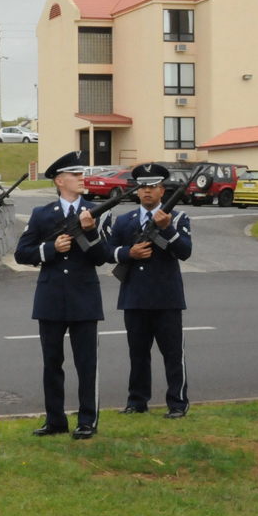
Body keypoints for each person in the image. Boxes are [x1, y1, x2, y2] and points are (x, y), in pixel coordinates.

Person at [14, 151, 113, 440]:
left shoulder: (97, 211)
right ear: (60, 181)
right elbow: (22, 253)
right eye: (75, 174)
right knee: (52, 362)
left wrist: (90, 231)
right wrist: (51, 249)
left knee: (87, 364)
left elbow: (103, 256)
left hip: (84, 296)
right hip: (51, 297)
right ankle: (55, 419)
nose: (82, 178)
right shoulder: (42, 214)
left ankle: (87, 420)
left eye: (82, 174)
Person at [101, 162, 193, 418]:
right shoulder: (125, 220)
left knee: (173, 354)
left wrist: (167, 228)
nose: (147, 191)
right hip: (135, 297)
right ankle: (137, 401)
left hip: (166, 298)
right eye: (143, 187)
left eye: (153, 186)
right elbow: (107, 251)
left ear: (162, 190)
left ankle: (177, 403)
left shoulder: (178, 218)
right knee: (138, 354)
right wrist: (128, 253)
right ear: (137, 191)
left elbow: (185, 251)